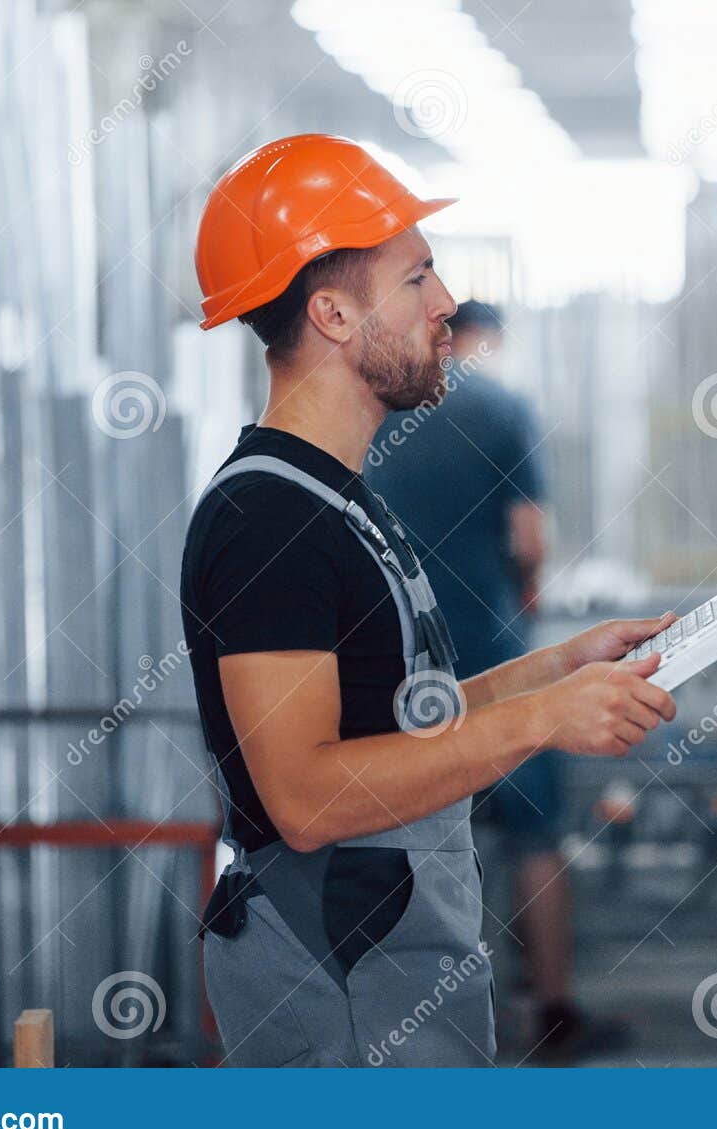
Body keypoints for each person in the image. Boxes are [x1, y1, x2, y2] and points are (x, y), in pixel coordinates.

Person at [180, 134, 678, 1067]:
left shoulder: (338, 496)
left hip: (387, 963)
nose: (446, 306)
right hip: (339, 978)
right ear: (331, 313)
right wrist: (538, 721)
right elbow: (305, 797)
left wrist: (558, 674)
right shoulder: (265, 519)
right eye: (417, 280)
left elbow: (405, 722)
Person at [367, 302, 620, 1060]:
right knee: (534, 834)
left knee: (404, 830)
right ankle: (553, 1008)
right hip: (491, 645)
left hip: (398, 657)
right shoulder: (503, 407)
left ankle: (412, 1028)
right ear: (494, 341)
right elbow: (530, 536)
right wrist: (527, 592)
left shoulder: (375, 413)